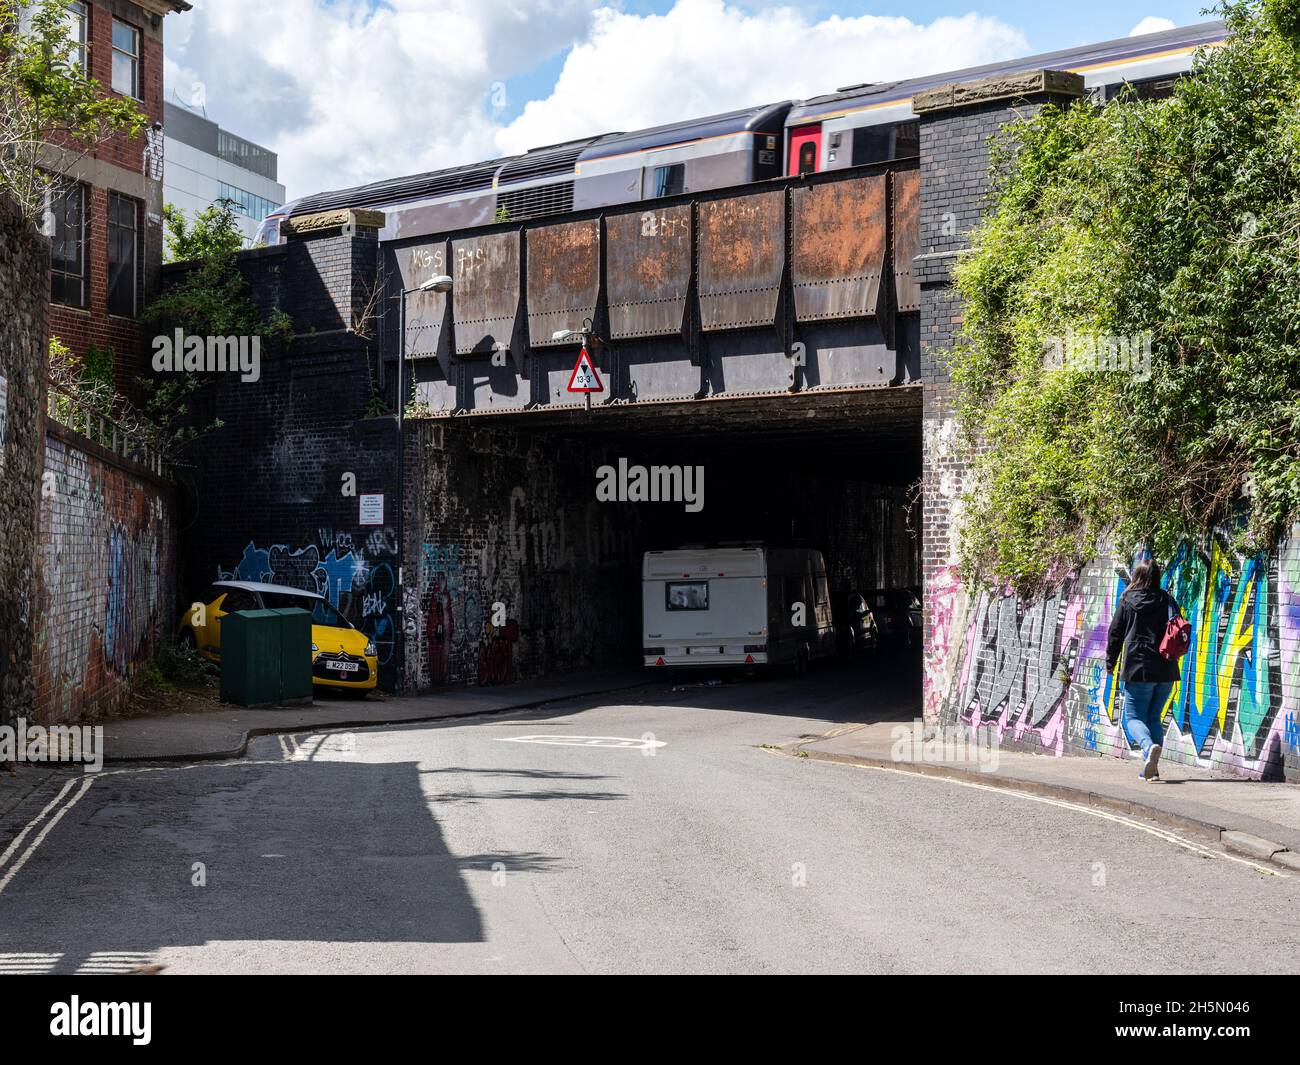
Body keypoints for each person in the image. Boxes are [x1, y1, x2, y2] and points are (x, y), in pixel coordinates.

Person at [1105, 559, 1181, 781]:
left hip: (1138, 668)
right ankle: (1152, 770)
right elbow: (1178, 628)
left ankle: (1148, 748)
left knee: (1134, 718)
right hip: (1166, 669)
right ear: (1157, 577)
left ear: (1137, 577)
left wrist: (1111, 662)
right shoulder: (1167, 599)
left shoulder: (1127, 600)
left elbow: (1115, 633)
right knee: (1154, 718)